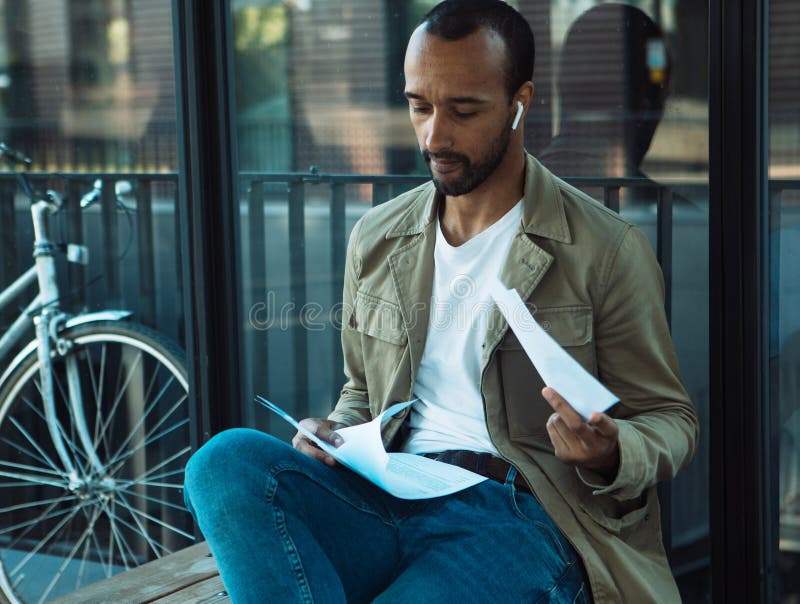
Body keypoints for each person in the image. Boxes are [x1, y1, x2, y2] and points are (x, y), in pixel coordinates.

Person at [183, 1, 698, 602]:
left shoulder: (604, 249)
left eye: (463, 110)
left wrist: (610, 451)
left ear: (519, 103)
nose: (434, 134)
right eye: (419, 106)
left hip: (517, 516)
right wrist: (337, 432)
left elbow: (671, 420)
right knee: (224, 463)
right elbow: (360, 392)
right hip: (384, 493)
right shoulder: (377, 237)